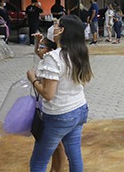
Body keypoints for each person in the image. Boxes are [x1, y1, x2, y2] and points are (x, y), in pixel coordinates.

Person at [27, 14, 92, 172]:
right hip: (79, 109)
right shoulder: (79, 52)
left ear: (62, 30)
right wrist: (39, 44)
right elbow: (51, 64)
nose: (53, 28)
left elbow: (48, 94)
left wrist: (32, 79)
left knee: (38, 162)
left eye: (56, 25)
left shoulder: (54, 57)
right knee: (75, 156)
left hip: (59, 115)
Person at [31, 33, 67, 172]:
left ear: (50, 50)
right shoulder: (46, 59)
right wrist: (37, 41)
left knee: (55, 144)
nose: (39, 49)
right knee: (56, 144)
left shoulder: (51, 61)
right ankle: (55, 168)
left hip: (53, 108)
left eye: (42, 47)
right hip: (46, 106)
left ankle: (57, 168)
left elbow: (48, 93)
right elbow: (37, 52)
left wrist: (33, 79)